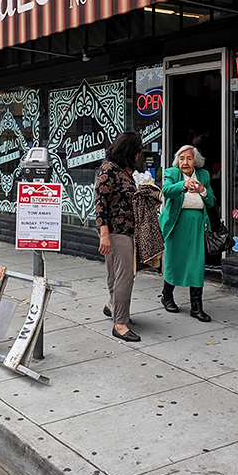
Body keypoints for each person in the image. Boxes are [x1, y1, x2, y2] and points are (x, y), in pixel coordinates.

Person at [94, 131, 143, 342]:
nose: (140, 155)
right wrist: (104, 235)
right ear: (130, 151)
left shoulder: (124, 171)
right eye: (138, 151)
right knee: (125, 277)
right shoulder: (109, 169)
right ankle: (120, 323)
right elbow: (100, 203)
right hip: (116, 232)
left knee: (115, 274)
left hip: (126, 231)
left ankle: (112, 306)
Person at [159, 145, 215, 322]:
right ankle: (167, 296)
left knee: (196, 264)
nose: (185, 162)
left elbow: (212, 201)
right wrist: (183, 184)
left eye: (189, 158)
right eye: (182, 158)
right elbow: (166, 191)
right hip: (177, 225)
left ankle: (196, 307)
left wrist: (202, 191)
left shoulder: (203, 175)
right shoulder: (172, 173)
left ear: (195, 161)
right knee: (174, 261)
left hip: (197, 226)